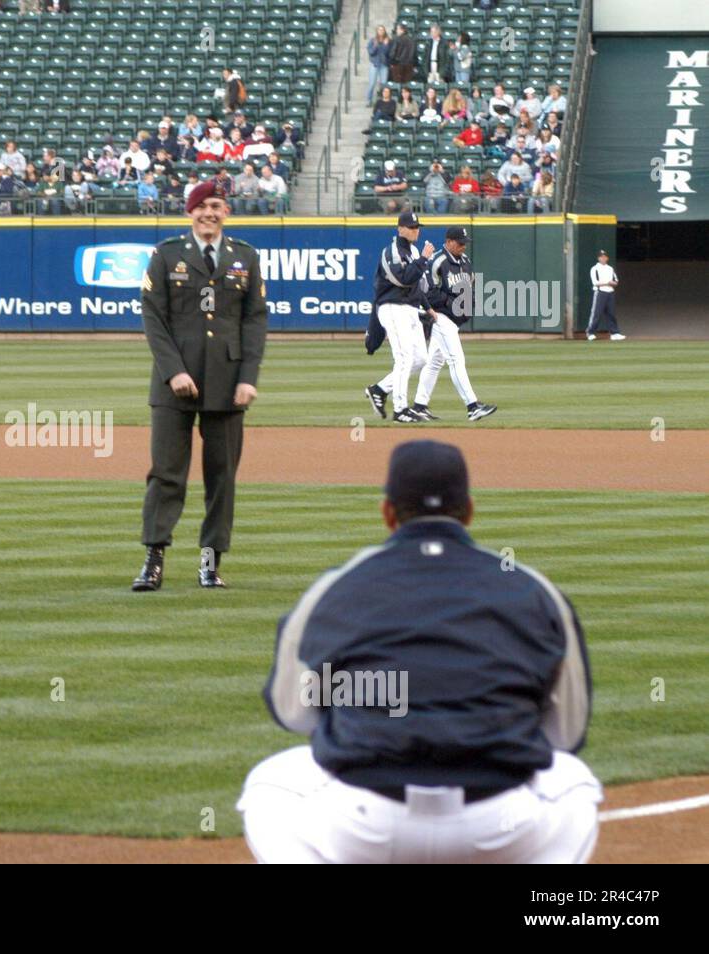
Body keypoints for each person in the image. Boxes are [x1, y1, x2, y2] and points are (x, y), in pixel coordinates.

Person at [237, 441, 601, 864]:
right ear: (468, 510)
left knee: (271, 783)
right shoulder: (533, 588)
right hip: (500, 824)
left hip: (365, 822)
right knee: (575, 782)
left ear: (388, 512)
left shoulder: (336, 586)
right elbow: (566, 735)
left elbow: (293, 713)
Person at [132, 179, 267, 592]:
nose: (210, 213)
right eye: (202, 206)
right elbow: (153, 318)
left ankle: (210, 563)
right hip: (173, 383)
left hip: (227, 383)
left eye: (217, 206)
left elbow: (255, 319)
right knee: (167, 474)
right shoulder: (167, 254)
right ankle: (153, 560)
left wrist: (248, 378)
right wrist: (174, 371)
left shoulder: (245, 255)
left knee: (221, 477)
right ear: (189, 212)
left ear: (226, 212)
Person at [412, 228, 498, 422]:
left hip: (455, 319)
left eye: (464, 242)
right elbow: (428, 292)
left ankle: (419, 406)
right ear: (449, 242)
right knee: (456, 360)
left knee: (434, 362)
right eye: (459, 242)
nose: (463, 245)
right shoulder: (437, 261)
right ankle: (472, 406)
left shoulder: (465, 261)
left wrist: (469, 301)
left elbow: (470, 286)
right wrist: (451, 303)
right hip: (440, 317)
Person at [363, 212, 433, 423]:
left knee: (421, 359)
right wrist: (423, 259)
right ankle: (400, 410)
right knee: (404, 358)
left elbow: (418, 286)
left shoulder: (413, 251)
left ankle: (380, 389)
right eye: (411, 227)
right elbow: (403, 279)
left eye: (417, 227)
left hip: (411, 308)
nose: (415, 230)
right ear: (400, 228)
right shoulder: (391, 251)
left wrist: (427, 308)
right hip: (393, 307)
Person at [586, 250, 624, 340]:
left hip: (610, 292)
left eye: (604, 256)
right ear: (598, 258)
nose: (603, 258)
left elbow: (616, 281)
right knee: (596, 313)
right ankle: (590, 332)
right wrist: (608, 283)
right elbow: (595, 283)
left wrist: (612, 283)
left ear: (607, 258)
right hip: (600, 292)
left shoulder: (610, 268)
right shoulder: (594, 268)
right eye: (601, 257)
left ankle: (614, 333)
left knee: (611, 313)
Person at [366, 25, 390, 106]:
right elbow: (371, 52)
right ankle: (369, 100)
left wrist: (385, 45)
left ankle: (382, 101)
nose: (381, 31)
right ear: (377, 31)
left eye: (382, 30)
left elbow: (387, 53)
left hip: (384, 65)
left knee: (383, 84)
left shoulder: (387, 41)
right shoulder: (372, 41)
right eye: (379, 30)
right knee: (372, 83)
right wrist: (375, 46)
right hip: (375, 64)